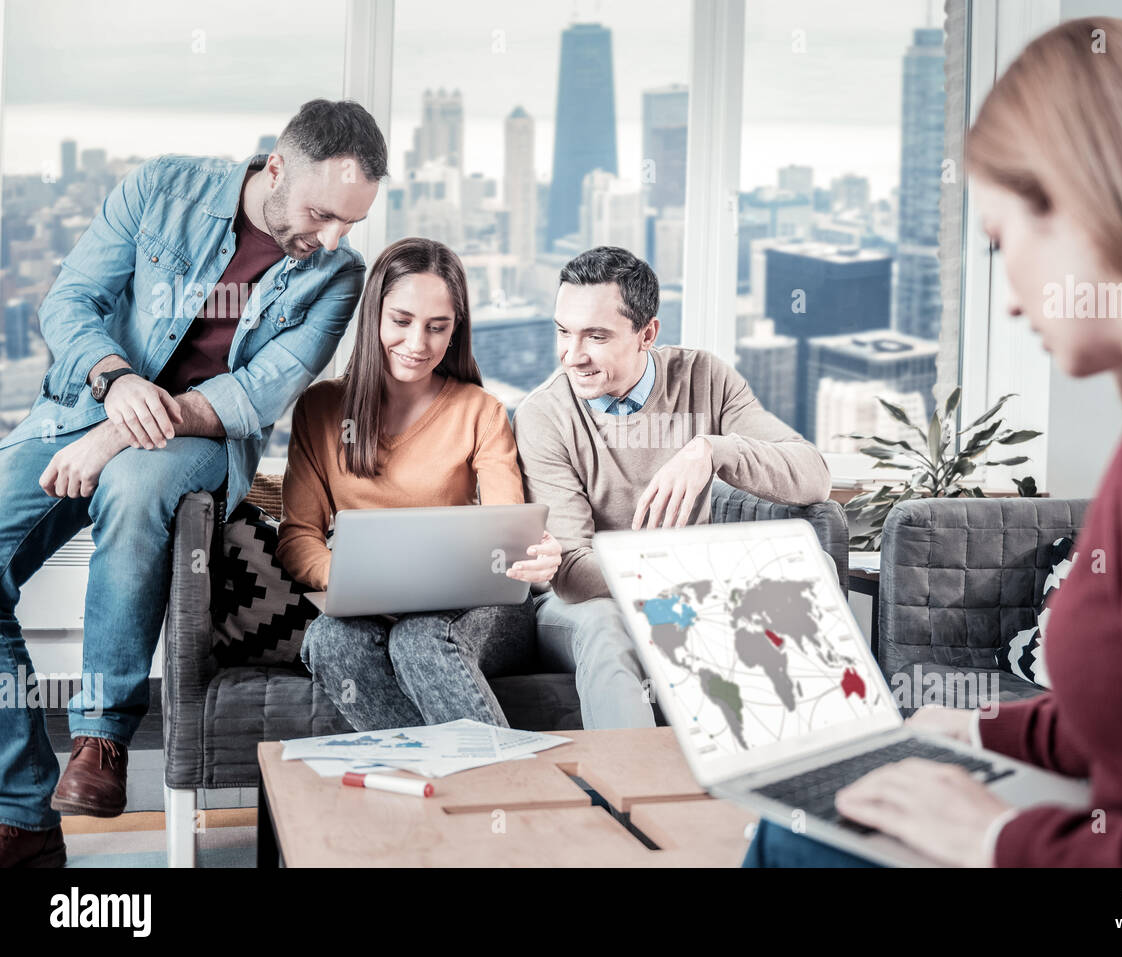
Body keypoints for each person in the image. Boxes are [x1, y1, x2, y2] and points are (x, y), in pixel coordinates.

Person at [746, 16, 1122, 867]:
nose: (1009, 299)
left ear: (1090, 205)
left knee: (795, 839)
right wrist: (973, 724)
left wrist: (993, 836)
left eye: (1005, 244)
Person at [0, 99, 386, 868]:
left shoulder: (337, 276)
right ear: (276, 168)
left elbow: (257, 393)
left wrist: (123, 430)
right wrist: (113, 386)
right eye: (321, 213)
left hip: (202, 442)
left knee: (137, 482)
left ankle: (102, 740)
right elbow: (70, 301)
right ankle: (22, 812)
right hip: (79, 407)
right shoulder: (162, 190)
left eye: (351, 222)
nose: (333, 238)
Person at [512, 246, 832, 730]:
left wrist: (710, 451)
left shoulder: (704, 377)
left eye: (596, 336)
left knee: (813, 566)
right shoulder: (544, 416)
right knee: (605, 626)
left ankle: (785, 779)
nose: (572, 356)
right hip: (586, 605)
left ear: (647, 334)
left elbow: (813, 475)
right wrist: (683, 586)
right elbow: (573, 573)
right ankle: (633, 798)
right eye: (563, 331)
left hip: (683, 588)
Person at [277, 238, 561, 731]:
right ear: (375, 318)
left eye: (437, 327)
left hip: (478, 613)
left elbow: (507, 532)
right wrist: (358, 579)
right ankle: (433, 783)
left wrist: (531, 556)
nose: (417, 344)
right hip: (370, 609)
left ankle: (498, 785)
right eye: (402, 322)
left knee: (420, 635)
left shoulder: (481, 411)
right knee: (327, 639)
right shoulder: (321, 409)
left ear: (456, 331)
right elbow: (298, 537)